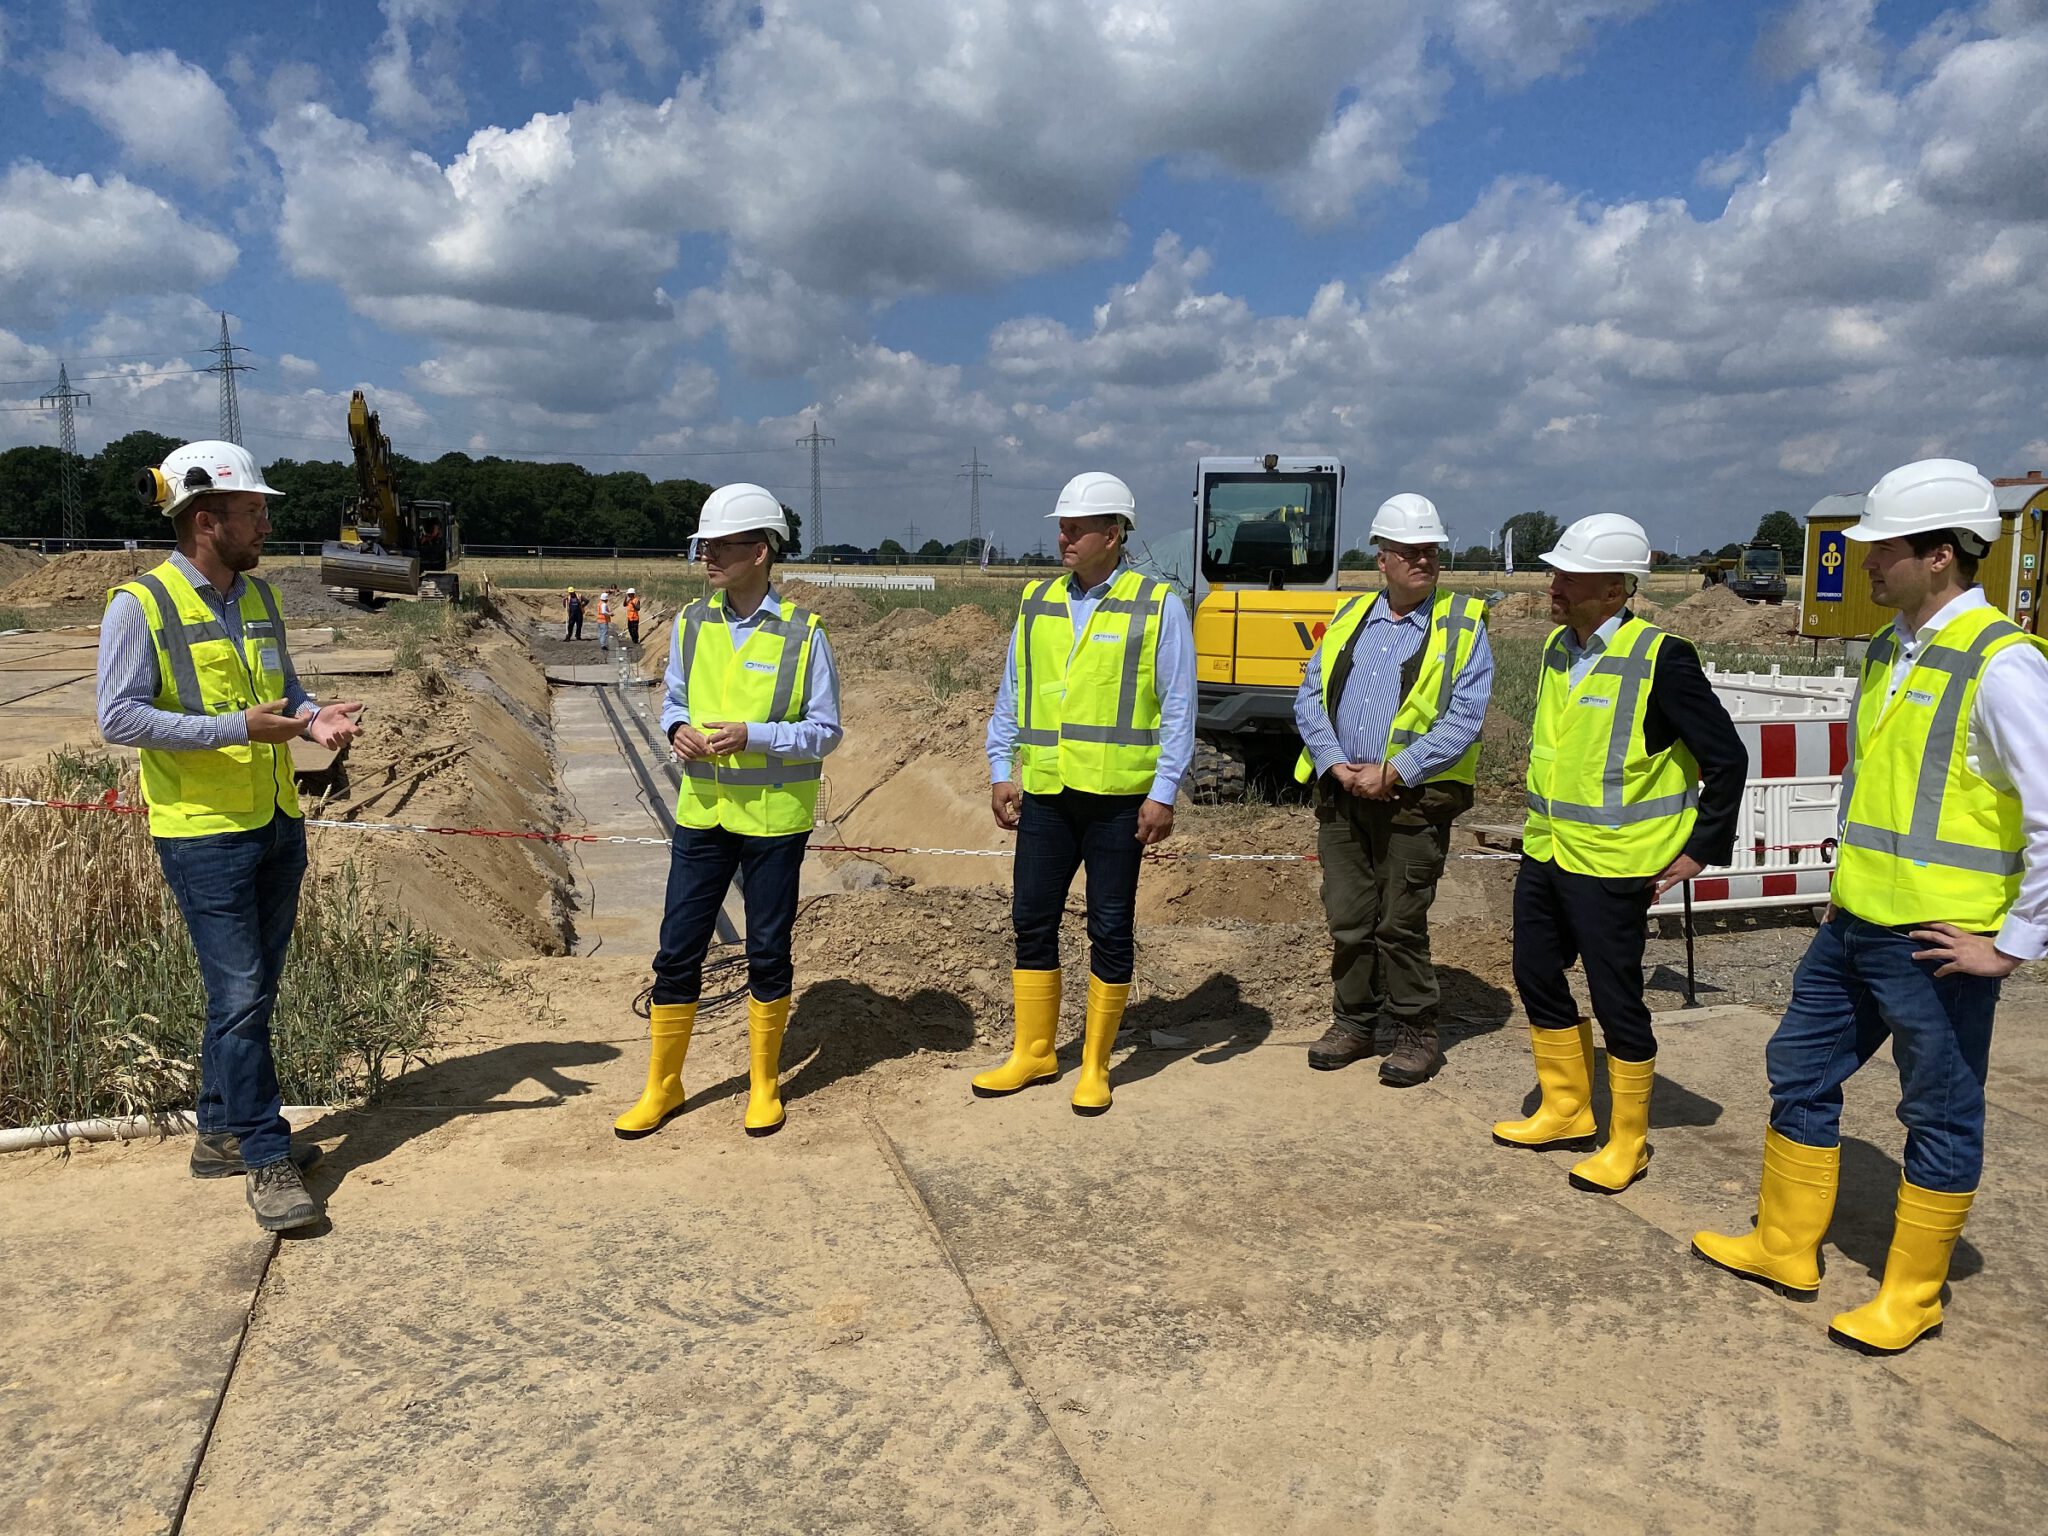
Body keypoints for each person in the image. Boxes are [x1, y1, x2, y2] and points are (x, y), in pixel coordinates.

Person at [1693, 459, 2048, 1354]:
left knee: (1938, 1108)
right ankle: (1785, 1245)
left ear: (1938, 556)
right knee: (1798, 1065)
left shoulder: (2002, 666)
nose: (1864, 565)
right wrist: (1839, 891)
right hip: (1855, 920)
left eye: (1881, 550)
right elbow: (1875, 789)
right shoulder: (1891, 650)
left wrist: (2011, 945)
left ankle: (1912, 1295)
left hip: (1938, 942)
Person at [97, 441, 364, 1232]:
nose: (267, 523)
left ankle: (218, 1129)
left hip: (275, 822)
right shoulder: (138, 606)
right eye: (254, 511)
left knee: (249, 994)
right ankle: (263, 1153)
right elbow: (117, 716)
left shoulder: (257, 598)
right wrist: (235, 729)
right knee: (242, 995)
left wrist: (317, 717)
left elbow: (284, 690)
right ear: (206, 520)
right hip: (203, 834)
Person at [1494, 514, 1744, 1192]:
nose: (1554, 585)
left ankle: (1627, 1142)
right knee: (1534, 972)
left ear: (1613, 589)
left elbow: (1726, 758)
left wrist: (1701, 848)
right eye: (1556, 572)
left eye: (1568, 576)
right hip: (1548, 850)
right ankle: (1567, 1110)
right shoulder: (1556, 649)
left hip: (1615, 864)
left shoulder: (1663, 658)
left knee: (1615, 998)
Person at [615, 484, 841, 1141]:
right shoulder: (691, 622)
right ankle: (664, 1084)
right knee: (677, 949)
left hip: (774, 819)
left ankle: (765, 1084)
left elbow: (826, 730)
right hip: (704, 811)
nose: (707, 554)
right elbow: (674, 700)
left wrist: (756, 736)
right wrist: (677, 726)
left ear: (761, 551)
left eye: (721, 544)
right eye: (704, 544)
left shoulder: (805, 635)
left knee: (767, 951)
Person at [973, 471, 1195, 1115]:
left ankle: (1095, 1065)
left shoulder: (1157, 605)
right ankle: (1035, 1052)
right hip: (1046, 791)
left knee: (1110, 926)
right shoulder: (1038, 602)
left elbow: (1179, 706)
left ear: (1114, 533)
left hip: (1119, 801)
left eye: (1076, 528)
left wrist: (1164, 790)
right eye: (1062, 528)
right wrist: (1000, 768)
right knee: (1031, 920)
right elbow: (1013, 692)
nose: (1064, 538)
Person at [1293, 493, 1493, 1086]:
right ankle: (1354, 1022)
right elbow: (1309, 698)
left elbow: (1463, 719)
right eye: (1409, 552)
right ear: (1382, 558)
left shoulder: (1461, 624)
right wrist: (1335, 763)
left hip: (1414, 800)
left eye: (1429, 551)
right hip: (1343, 794)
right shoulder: (1351, 616)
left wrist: (1397, 769)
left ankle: (1414, 1031)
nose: (1421, 561)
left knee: (1400, 922)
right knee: (1349, 917)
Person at [597, 586, 614, 653]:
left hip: (599, 621)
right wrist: (610, 614)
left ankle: (602, 644)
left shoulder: (600, 603)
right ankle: (603, 645)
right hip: (603, 621)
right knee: (604, 633)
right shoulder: (603, 604)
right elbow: (603, 612)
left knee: (601, 633)